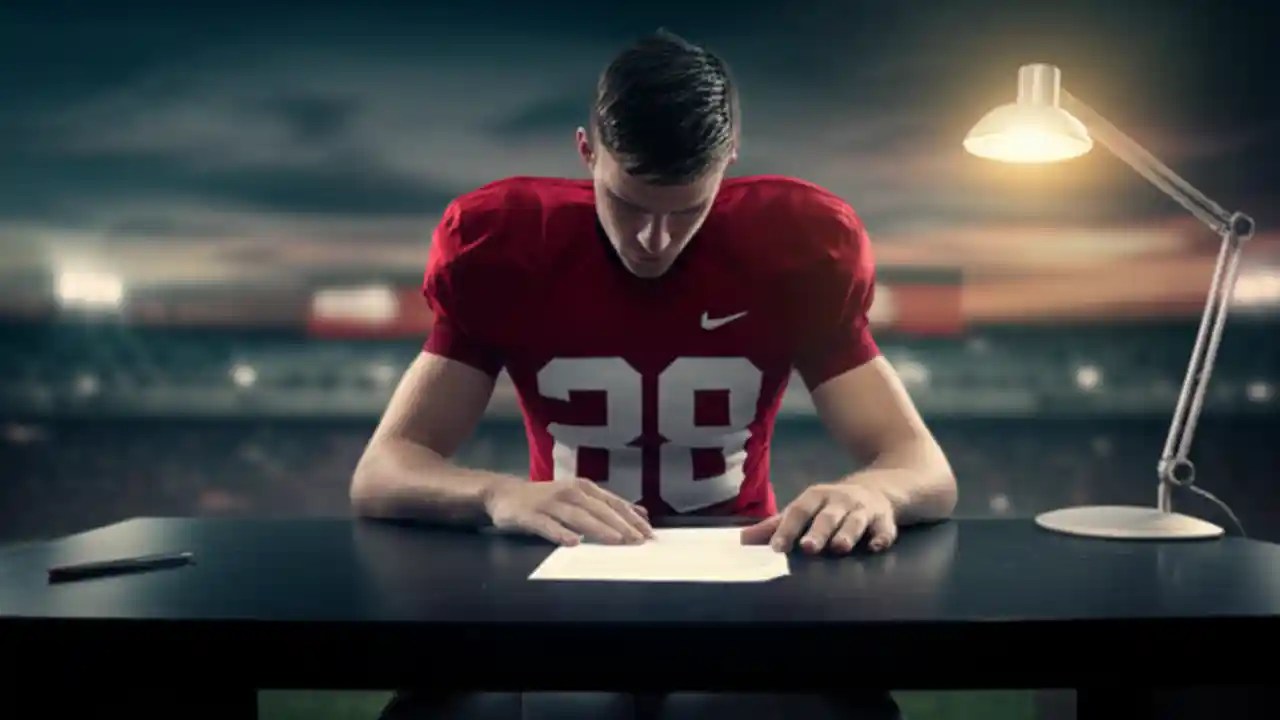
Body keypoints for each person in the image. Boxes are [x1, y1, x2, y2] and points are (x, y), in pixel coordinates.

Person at [352, 28, 956, 720]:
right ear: (587, 152)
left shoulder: (795, 245)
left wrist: (874, 493)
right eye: (629, 203)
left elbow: (921, 467)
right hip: (566, 569)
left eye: (686, 210)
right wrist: (496, 494)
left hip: (740, 569)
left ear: (729, 159)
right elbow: (384, 471)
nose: (654, 240)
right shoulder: (509, 243)